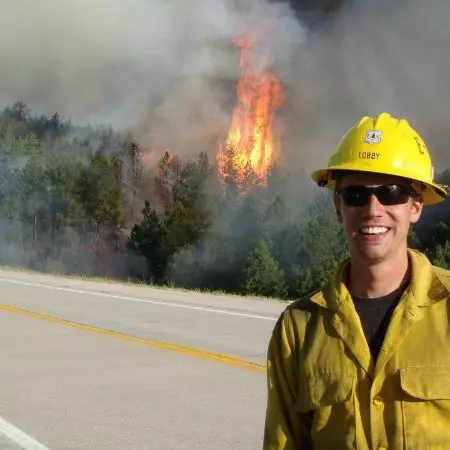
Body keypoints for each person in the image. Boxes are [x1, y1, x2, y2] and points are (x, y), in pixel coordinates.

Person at [262, 112, 450, 450]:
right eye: (356, 195)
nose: (373, 209)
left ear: (416, 206)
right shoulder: (299, 329)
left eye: (392, 192)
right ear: (338, 207)